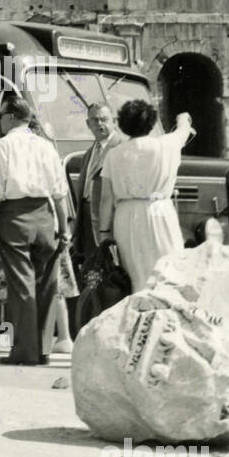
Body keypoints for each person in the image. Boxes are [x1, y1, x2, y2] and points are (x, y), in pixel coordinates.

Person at [0, 94, 71, 366]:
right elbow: (59, 192)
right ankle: (43, 348)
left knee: (21, 285)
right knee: (47, 285)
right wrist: (64, 227)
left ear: (10, 116)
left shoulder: (3, 145)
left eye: (0, 116)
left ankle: (25, 350)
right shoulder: (47, 147)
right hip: (46, 218)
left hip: (14, 218)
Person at [98, 101, 194, 292]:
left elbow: (106, 198)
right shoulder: (167, 145)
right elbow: (183, 129)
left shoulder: (114, 154)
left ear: (122, 124)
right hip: (160, 211)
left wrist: (103, 232)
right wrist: (183, 117)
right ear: (151, 122)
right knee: (169, 271)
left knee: (136, 275)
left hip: (126, 217)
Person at [28, 110, 78, 356]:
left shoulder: (21, 154)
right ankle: (63, 336)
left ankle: (28, 337)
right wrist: (66, 227)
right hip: (54, 224)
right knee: (55, 283)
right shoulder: (51, 154)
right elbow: (61, 195)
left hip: (32, 221)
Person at [73, 102, 122, 260]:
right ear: (88, 124)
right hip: (88, 219)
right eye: (94, 120)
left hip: (110, 223)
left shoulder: (121, 148)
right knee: (92, 270)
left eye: (104, 119)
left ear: (113, 121)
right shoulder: (89, 152)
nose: (99, 124)